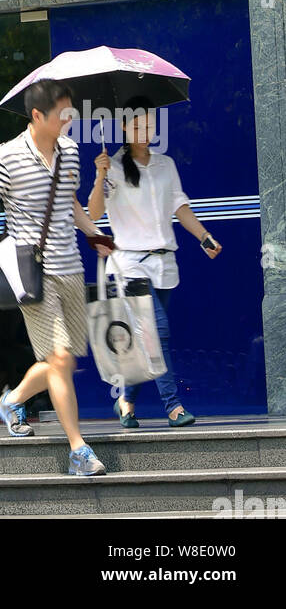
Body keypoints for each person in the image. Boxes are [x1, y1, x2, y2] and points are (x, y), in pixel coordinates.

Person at [0, 79, 115, 476]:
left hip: (71, 267)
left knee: (61, 363)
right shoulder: (6, 155)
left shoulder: (69, 150)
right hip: (33, 272)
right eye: (62, 113)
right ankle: (78, 450)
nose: (70, 118)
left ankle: (11, 401)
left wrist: (94, 234)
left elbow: (70, 205)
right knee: (61, 358)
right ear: (37, 115)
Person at [87, 94, 222, 428]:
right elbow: (93, 212)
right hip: (130, 264)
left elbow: (180, 207)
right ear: (124, 128)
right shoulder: (113, 166)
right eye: (137, 125)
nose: (144, 131)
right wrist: (99, 176)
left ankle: (126, 402)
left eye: (148, 125)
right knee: (156, 331)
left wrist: (204, 237)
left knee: (148, 338)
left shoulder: (166, 165)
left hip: (164, 264)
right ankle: (173, 406)